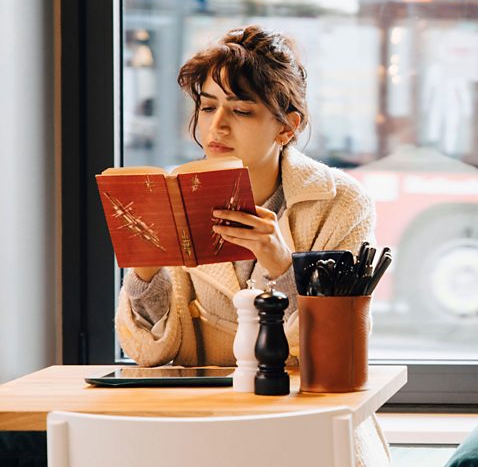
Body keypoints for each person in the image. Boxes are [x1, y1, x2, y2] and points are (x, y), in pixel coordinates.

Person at [114, 25, 388, 464]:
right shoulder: (176, 195)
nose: (216, 125)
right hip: (203, 422)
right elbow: (151, 353)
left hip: (307, 423)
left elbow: (343, 350)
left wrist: (283, 268)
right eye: (207, 107)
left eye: (241, 111)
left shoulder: (341, 202)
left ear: (287, 126)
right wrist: (145, 274)